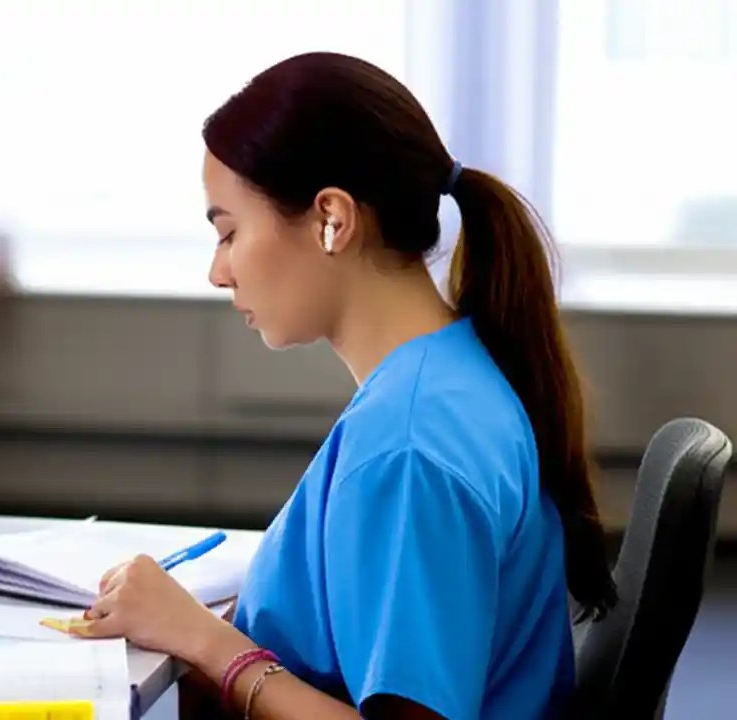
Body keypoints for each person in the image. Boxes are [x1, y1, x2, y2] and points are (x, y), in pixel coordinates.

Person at [70, 52, 617, 720]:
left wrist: (205, 641)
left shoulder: (411, 446)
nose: (219, 272)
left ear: (332, 217)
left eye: (229, 232)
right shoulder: (450, 375)